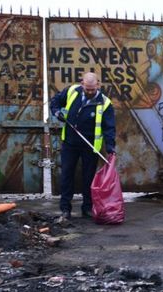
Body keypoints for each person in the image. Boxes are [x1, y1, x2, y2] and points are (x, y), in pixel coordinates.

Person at [49, 72, 116, 220]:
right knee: (67, 175)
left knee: (88, 178)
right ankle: (65, 209)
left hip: (90, 146)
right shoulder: (71, 91)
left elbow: (109, 128)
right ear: (82, 84)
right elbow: (54, 102)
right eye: (87, 89)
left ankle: (87, 208)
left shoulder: (105, 103)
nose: (90, 92)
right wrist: (57, 112)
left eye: (93, 89)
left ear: (98, 85)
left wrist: (110, 147)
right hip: (70, 143)